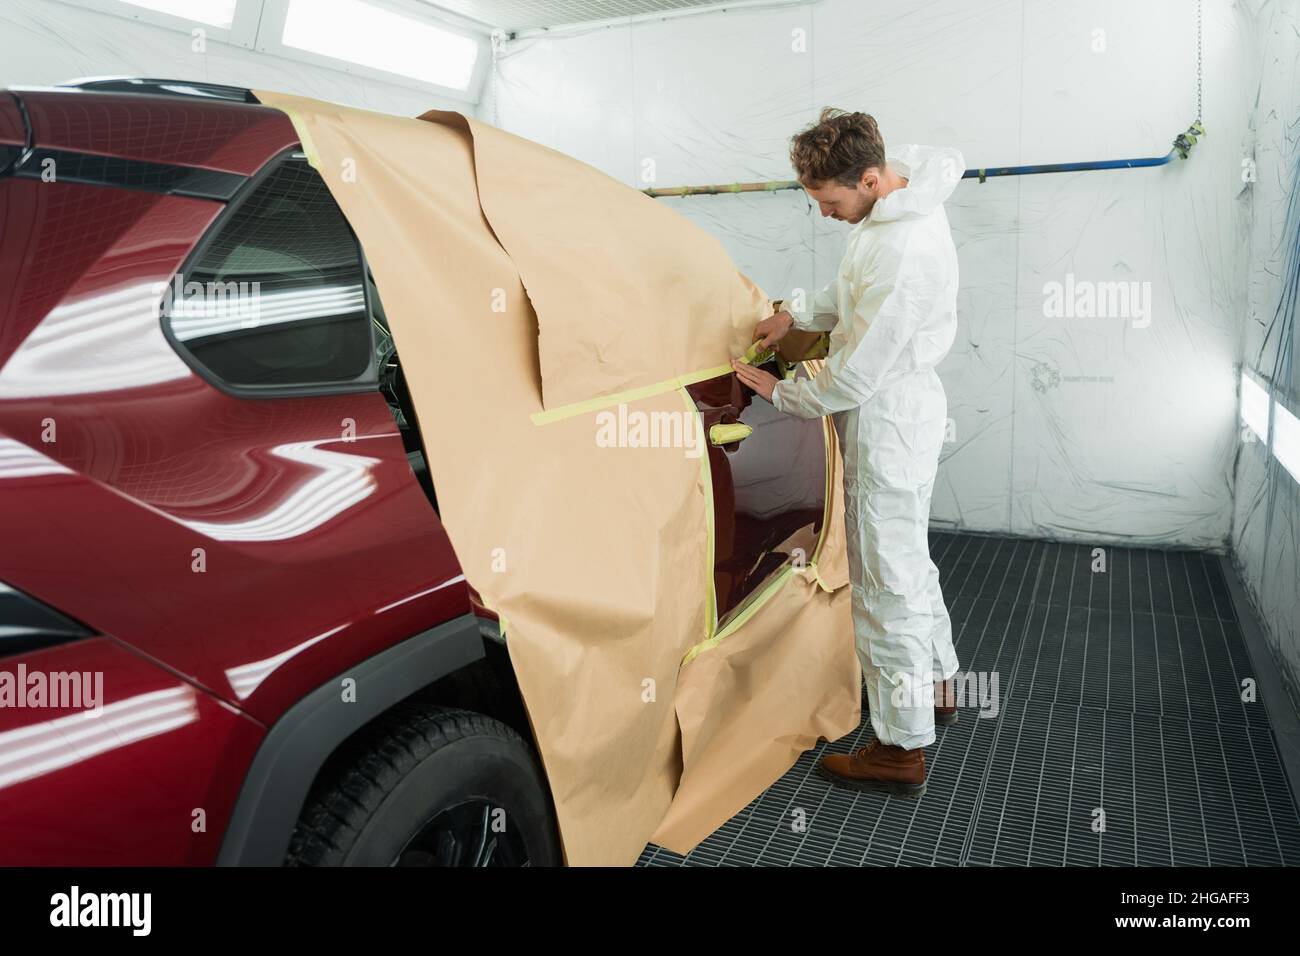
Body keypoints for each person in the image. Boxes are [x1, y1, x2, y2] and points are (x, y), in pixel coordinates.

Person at [730, 108, 963, 798]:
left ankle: (899, 748)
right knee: (909, 563)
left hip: (888, 419)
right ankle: (937, 685)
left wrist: (782, 392)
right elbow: (849, 295)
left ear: (867, 179)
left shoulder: (906, 247)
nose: (827, 216)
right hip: (895, 412)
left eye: (830, 204)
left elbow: (856, 372)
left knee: (885, 583)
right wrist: (795, 315)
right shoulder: (886, 212)